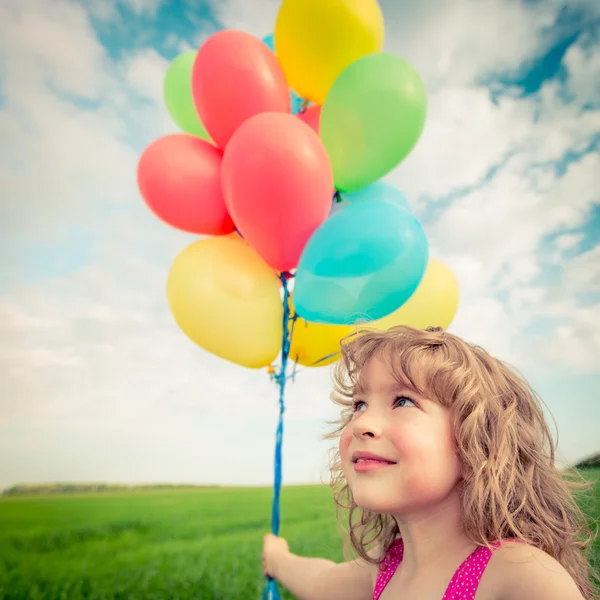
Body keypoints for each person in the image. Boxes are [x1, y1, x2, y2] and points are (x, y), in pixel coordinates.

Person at [261, 326, 598, 600]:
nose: (361, 424)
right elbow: (322, 581)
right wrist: (278, 559)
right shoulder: (385, 572)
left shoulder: (521, 577)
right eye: (360, 404)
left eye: (403, 400)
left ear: (478, 446)